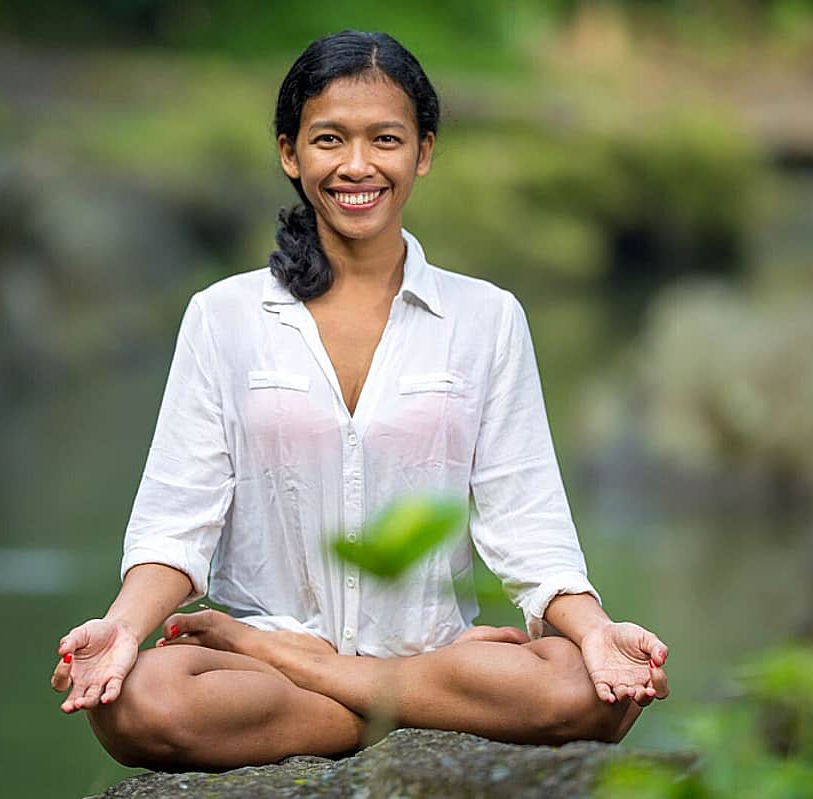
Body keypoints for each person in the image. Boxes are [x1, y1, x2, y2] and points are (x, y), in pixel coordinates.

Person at [50, 30, 669, 771]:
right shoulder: (224, 316)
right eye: (328, 139)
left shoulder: (487, 317)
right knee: (138, 701)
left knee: (597, 689)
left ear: (424, 153)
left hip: (420, 654)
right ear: (289, 153)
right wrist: (121, 628)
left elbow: (527, 522)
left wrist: (596, 628)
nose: (356, 165)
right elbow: (176, 523)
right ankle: (396, 705)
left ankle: (344, 686)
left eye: (385, 139)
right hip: (283, 677)